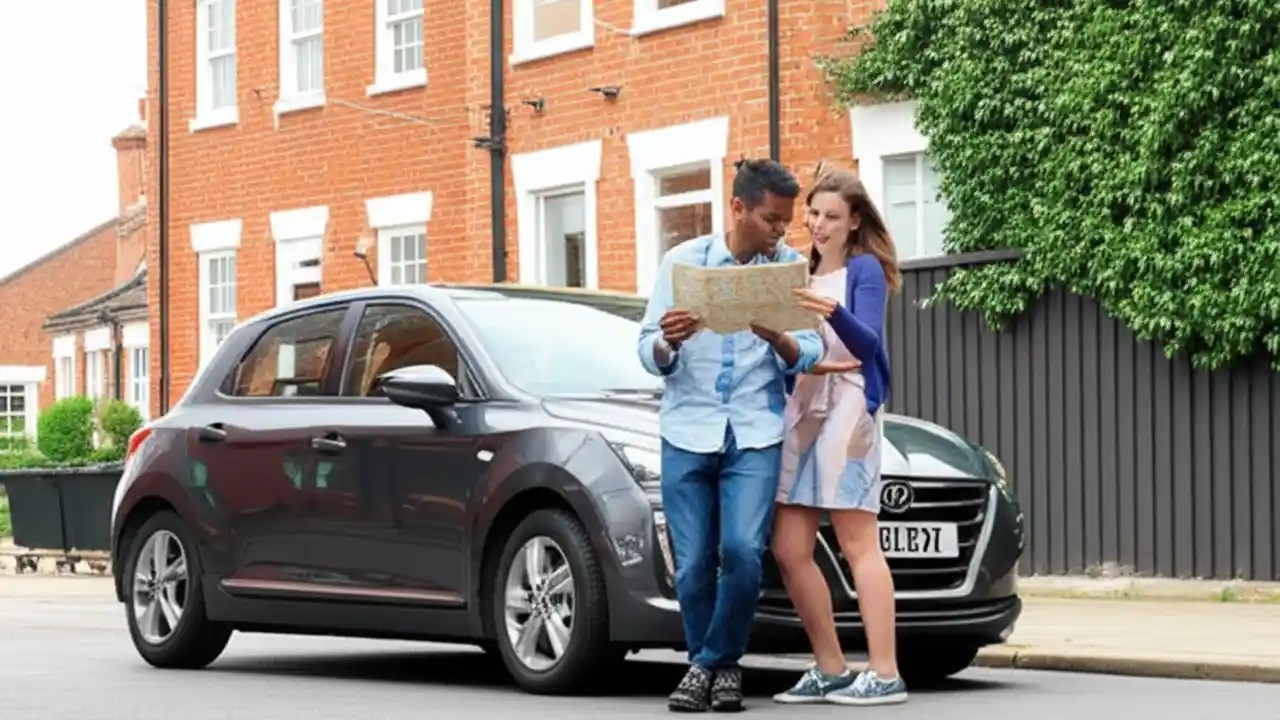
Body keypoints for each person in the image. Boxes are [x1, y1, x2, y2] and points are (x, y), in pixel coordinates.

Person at [637, 158, 824, 712]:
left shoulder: (788, 269)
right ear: (738, 208)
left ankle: (708, 665)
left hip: (754, 430)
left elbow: (811, 349)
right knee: (693, 562)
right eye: (771, 219)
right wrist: (668, 341)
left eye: (785, 222)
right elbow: (647, 347)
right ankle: (718, 668)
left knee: (742, 551)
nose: (780, 232)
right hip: (687, 429)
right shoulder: (681, 262)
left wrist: (781, 341)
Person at [769, 168, 908, 706]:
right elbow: (790, 354)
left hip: (850, 403)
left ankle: (885, 671)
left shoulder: (864, 269)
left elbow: (867, 343)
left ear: (854, 222)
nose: (818, 224)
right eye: (814, 214)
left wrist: (832, 310)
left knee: (857, 542)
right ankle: (830, 667)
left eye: (831, 216)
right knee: (788, 546)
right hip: (802, 405)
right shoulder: (794, 270)